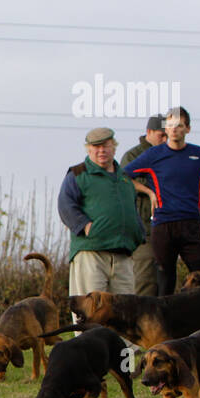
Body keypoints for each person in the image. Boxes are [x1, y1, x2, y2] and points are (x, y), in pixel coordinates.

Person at [126, 106, 200, 295]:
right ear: (166, 129)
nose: (175, 129)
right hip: (163, 225)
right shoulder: (153, 155)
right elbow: (123, 176)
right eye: (171, 125)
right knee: (165, 282)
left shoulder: (199, 155)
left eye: (180, 125)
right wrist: (149, 192)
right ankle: (166, 324)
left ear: (188, 129)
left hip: (191, 224)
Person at [58, 127, 155, 305]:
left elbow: (132, 209)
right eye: (96, 146)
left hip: (123, 256)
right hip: (91, 253)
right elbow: (65, 205)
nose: (101, 151)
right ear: (88, 149)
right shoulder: (78, 174)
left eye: (106, 146)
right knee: (90, 312)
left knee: (126, 313)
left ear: (114, 147)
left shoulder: (125, 179)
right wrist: (86, 226)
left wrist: (137, 234)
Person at [120, 114, 167, 295]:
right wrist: (149, 191)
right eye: (160, 135)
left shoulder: (168, 155)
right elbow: (122, 180)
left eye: (166, 136)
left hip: (165, 224)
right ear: (149, 132)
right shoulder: (134, 155)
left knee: (165, 279)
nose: (164, 140)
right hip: (143, 227)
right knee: (144, 278)